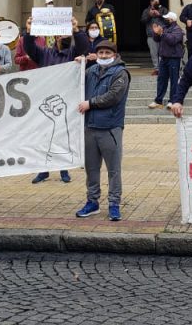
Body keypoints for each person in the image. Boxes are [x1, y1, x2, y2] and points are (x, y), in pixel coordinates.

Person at [23, 16, 90, 184]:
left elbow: (84, 48)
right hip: (45, 101)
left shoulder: (74, 53)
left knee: (63, 136)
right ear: (56, 37)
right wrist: (30, 32)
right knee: (43, 136)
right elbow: (30, 47)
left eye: (67, 35)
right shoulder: (44, 53)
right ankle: (43, 170)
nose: (64, 37)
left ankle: (63, 169)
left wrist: (76, 30)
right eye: (62, 35)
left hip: (66, 101)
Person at [75, 41, 131, 222]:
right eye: (101, 53)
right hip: (90, 127)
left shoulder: (121, 73)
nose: (104, 56)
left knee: (113, 170)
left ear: (114, 55)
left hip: (110, 128)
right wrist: (77, 66)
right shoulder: (91, 72)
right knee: (92, 169)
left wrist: (90, 103)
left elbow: (114, 96)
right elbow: (76, 84)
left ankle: (114, 204)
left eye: (108, 53)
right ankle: (92, 202)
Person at [149, 12, 184, 110]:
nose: (165, 20)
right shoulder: (164, 28)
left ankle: (172, 100)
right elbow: (157, 39)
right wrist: (155, 33)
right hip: (164, 58)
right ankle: (158, 100)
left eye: (167, 18)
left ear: (172, 20)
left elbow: (172, 40)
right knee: (161, 80)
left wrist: (162, 33)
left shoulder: (177, 29)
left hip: (174, 58)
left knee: (174, 79)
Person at [140, 0, 166, 70]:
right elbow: (143, 21)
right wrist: (149, 15)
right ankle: (157, 68)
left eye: (158, 2)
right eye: (155, 2)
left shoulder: (163, 9)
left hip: (162, 35)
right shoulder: (146, 10)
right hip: (151, 35)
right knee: (154, 53)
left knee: (162, 52)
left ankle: (162, 68)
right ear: (151, 2)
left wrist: (159, 15)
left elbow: (168, 19)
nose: (157, 4)